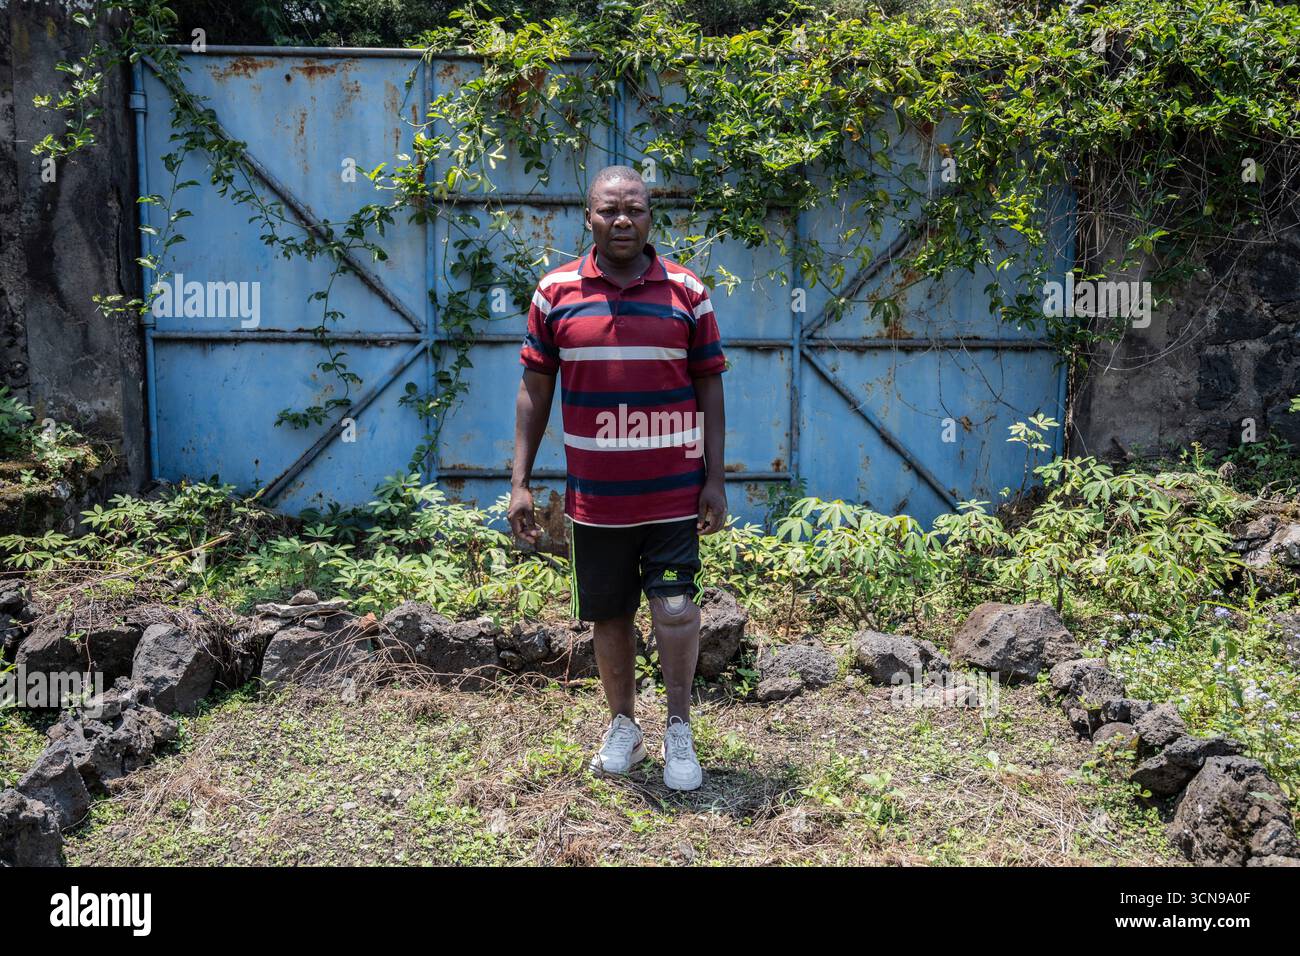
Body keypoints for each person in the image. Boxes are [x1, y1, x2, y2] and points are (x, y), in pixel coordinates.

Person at [509, 164, 728, 791]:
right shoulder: (555, 293)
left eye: (634, 208)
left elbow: (710, 387)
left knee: (677, 606)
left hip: (672, 493)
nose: (623, 220)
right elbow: (533, 390)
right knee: (610, 615)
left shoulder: (687, 291)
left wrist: (715, 478)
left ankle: (679, 728)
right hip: (597, 500)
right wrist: (521, 481)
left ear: (651, 216)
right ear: (588, 217)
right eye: (610, 210)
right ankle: (625, 726)